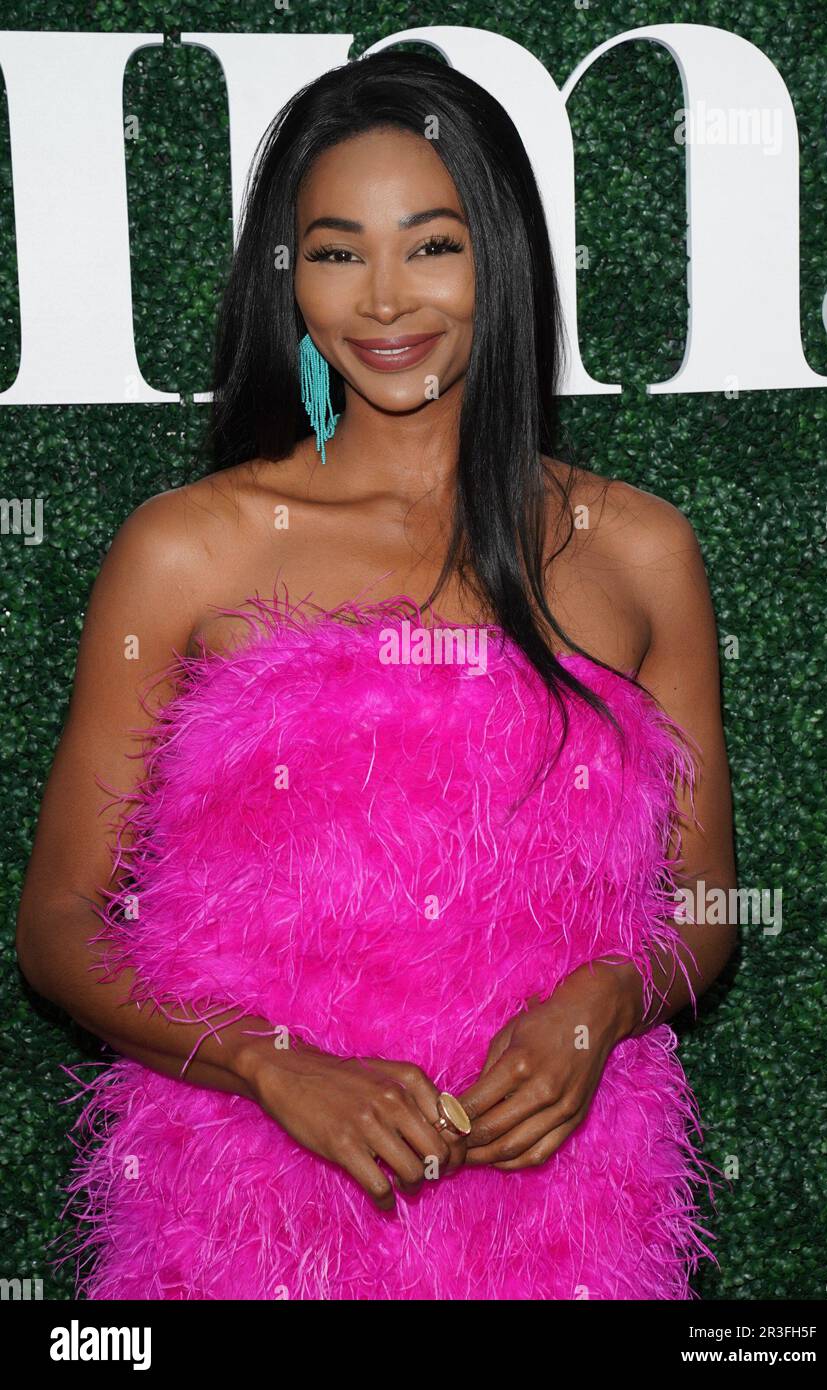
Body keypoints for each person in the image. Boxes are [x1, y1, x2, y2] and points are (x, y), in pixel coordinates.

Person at [16, 50, 737, 1300]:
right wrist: (268, 1064)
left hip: (562, 1206)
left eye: (433, 245)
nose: (385, 298)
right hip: (249, 1214)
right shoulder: (189, 548)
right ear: (287, 277)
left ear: (498, 259)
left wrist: (604, 1001)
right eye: (338, 251)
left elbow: (711, 906)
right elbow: (62, 925)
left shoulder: (636, 549)